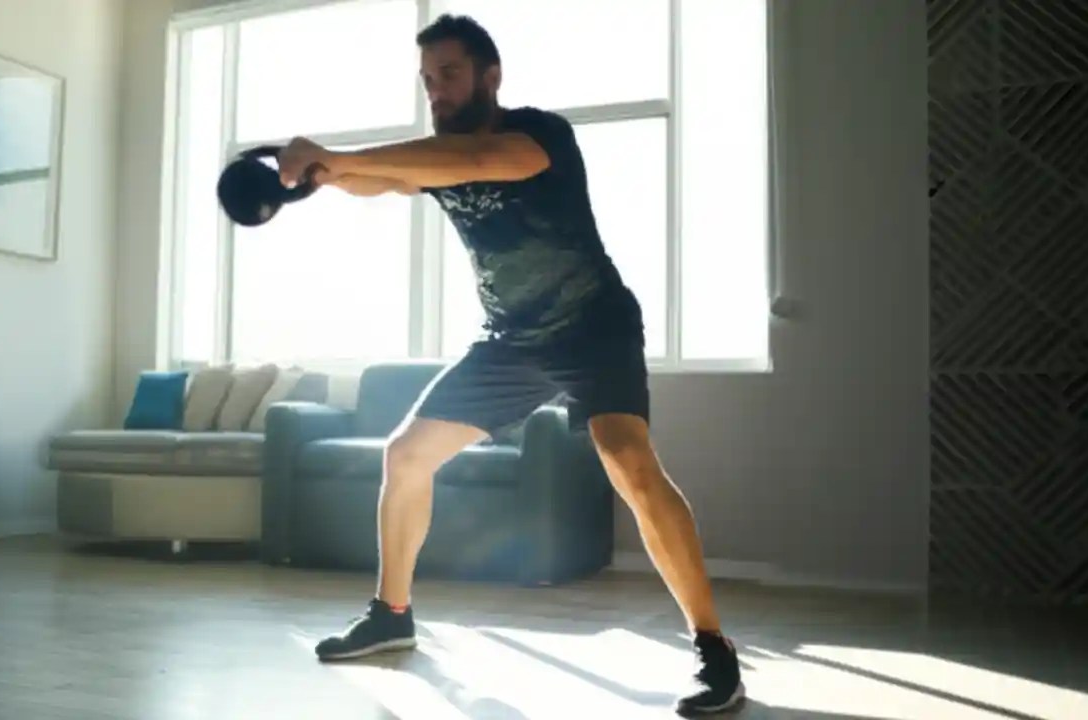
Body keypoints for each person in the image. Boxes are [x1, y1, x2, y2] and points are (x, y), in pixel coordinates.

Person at [274, 14, 744, 716]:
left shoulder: (540, 135)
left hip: (594, 325)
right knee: (405, 456)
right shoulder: (435, 152)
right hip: (511, 340)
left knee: (628, 461)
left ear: (491, 76)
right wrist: (329, 178)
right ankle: (391, 612)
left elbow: (470, 165)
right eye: (428, 81)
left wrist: (338, 156)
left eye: (450, 75)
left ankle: (714, 650)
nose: (437, 92)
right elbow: (394, 180)